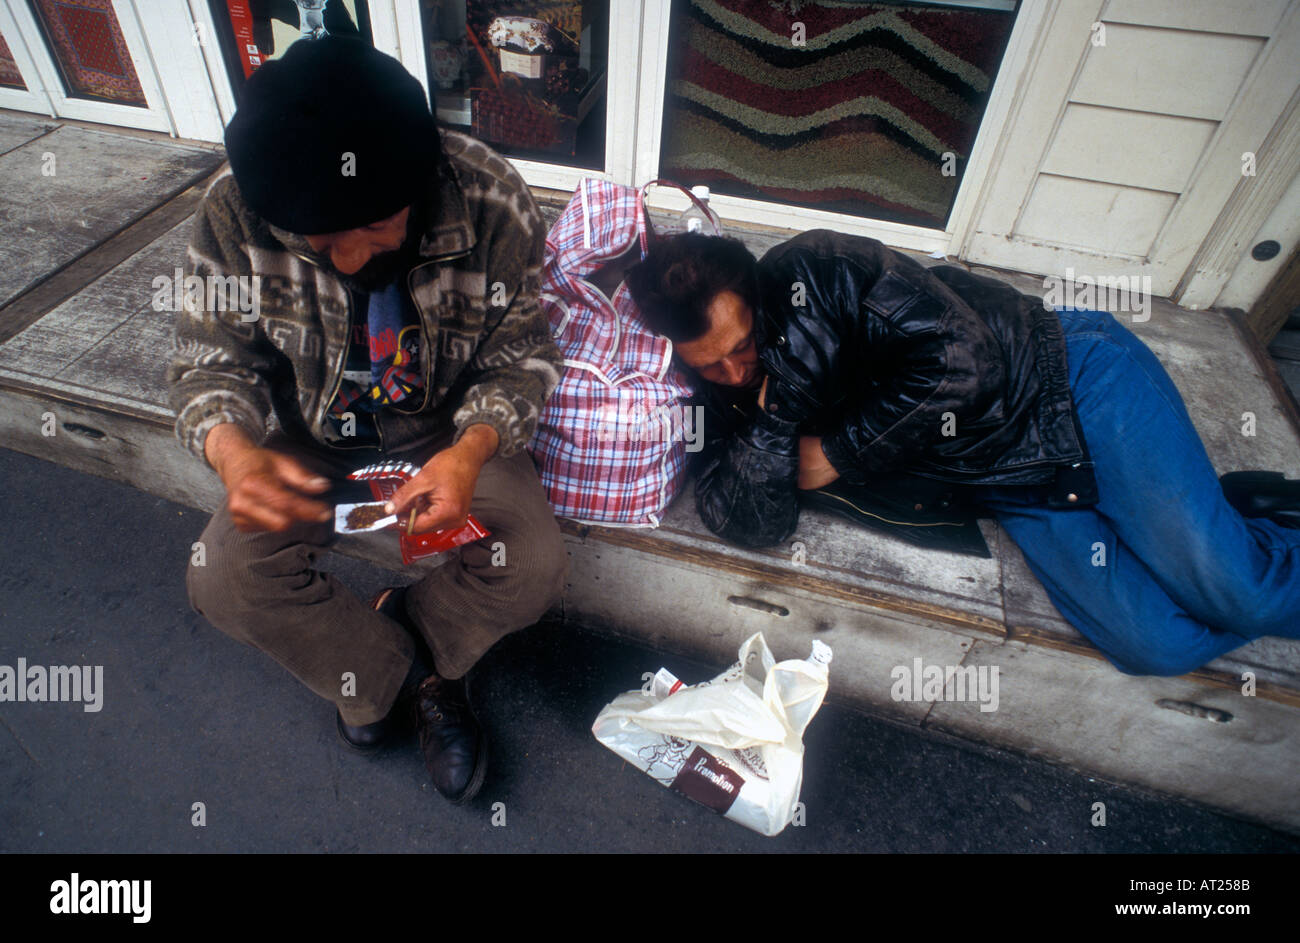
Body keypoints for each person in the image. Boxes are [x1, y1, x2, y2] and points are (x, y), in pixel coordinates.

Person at [169, 36, 566, 804]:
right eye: (323, 244)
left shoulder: (490, 197)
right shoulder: (232, 207)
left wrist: (471, 448)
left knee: (534, 564)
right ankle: (394, 679)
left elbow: (522, 358)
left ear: (419, 177)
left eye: (377, 225)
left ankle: (417, 642)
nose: (350, 259)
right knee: (222, 575)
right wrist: (237, 456)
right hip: (304, 442)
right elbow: (207, 362)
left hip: (444, 435)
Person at [625, 230, 1300, 676]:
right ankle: (1224, 516)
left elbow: (969, 359)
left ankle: (1223, 540)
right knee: (1157, 645)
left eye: (743, 347)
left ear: (756, 296)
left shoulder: (822, 271)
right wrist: (773, 415)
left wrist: (839, 449)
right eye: (711, 366)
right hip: (1012, 478)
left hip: (1066, 384)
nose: (737, 372)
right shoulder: (710, 392)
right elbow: (751, 520)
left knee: (1245, 595)